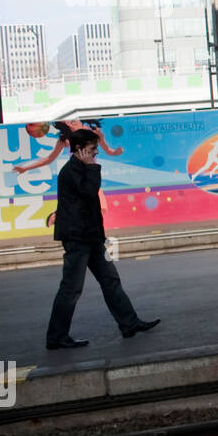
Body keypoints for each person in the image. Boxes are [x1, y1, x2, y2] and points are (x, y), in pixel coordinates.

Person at [46, 129, 160, 350]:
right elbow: (90, 191)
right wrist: (92, 167)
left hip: (91, 237)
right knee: (71, 288)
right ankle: (56, 337)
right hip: (78, 239)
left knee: (110, 280)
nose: (96, 153)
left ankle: (129, 323)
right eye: (92, 149)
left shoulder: (80, 169)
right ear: (79, 150)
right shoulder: (71, 171)